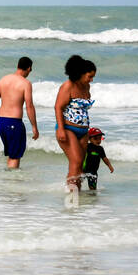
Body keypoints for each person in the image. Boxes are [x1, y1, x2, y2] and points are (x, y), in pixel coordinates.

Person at [55, 54, 97, 189]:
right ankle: (72, 195)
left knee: (80, 165)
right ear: (80, 73)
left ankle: (75, 192)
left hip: (83, 131)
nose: (91, 80)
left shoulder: (86, 87)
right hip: (68, 129)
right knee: (76, 161)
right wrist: (61, 129)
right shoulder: (67, 86)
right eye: (89, 76)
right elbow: (58, 107)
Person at [0, 56, 39, 169]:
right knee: (15, 156)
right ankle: (12, 183)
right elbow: (29, 106)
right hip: (14, 122)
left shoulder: (4, 79)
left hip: (1, 122)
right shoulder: (25, 83)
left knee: (11, 154)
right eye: (30, 70)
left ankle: (9, 180)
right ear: (29, 68)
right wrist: (34, 127)